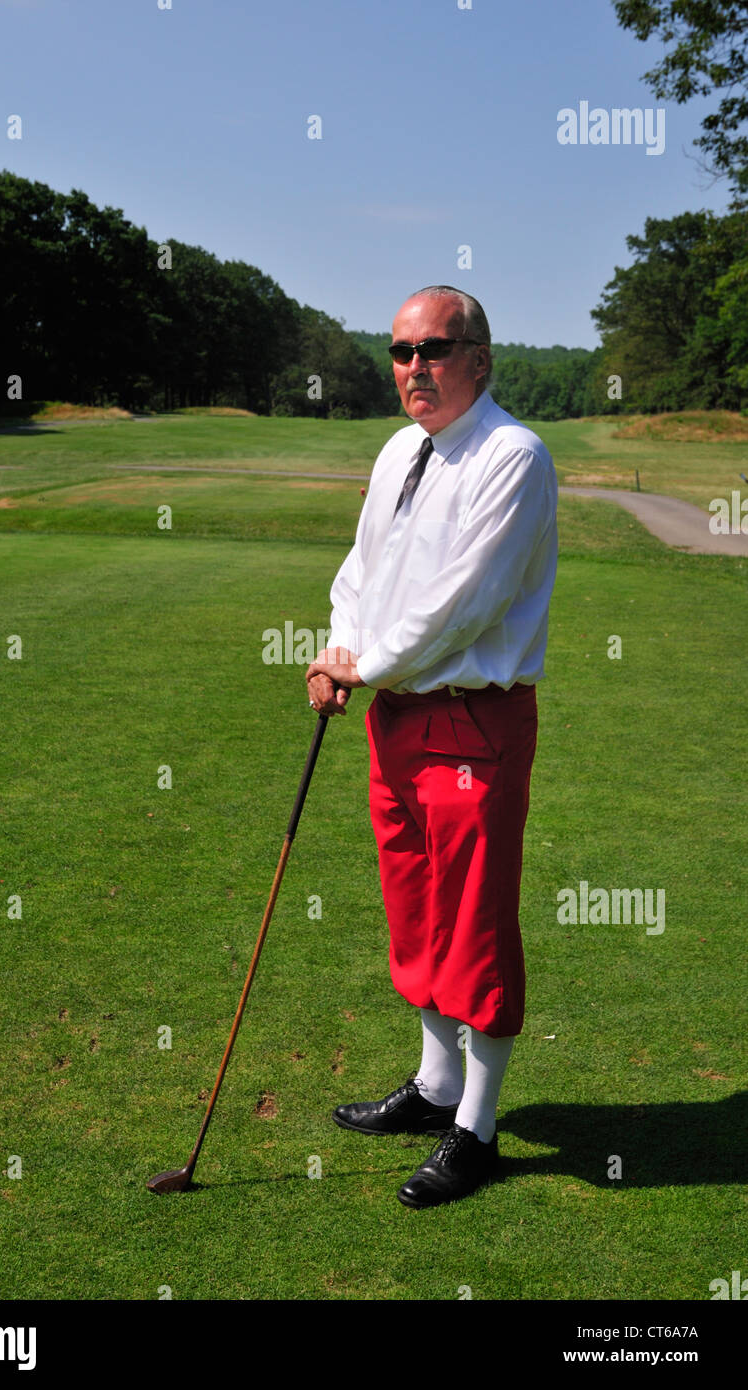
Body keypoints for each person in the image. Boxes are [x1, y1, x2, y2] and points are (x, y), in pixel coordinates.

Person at [305, 285, 558, 1209]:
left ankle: (477, 1129)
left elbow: (462, 602)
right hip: (398, 712)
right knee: (413, 902)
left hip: (470, 718)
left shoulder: (511, 457)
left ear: (478, 359)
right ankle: (435, 1085)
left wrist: (362, 662)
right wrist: (340, 647)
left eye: (436, 348)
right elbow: (362, 570)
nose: (416, 366)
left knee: (474, 919)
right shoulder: (398, 449)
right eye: (402, 350)